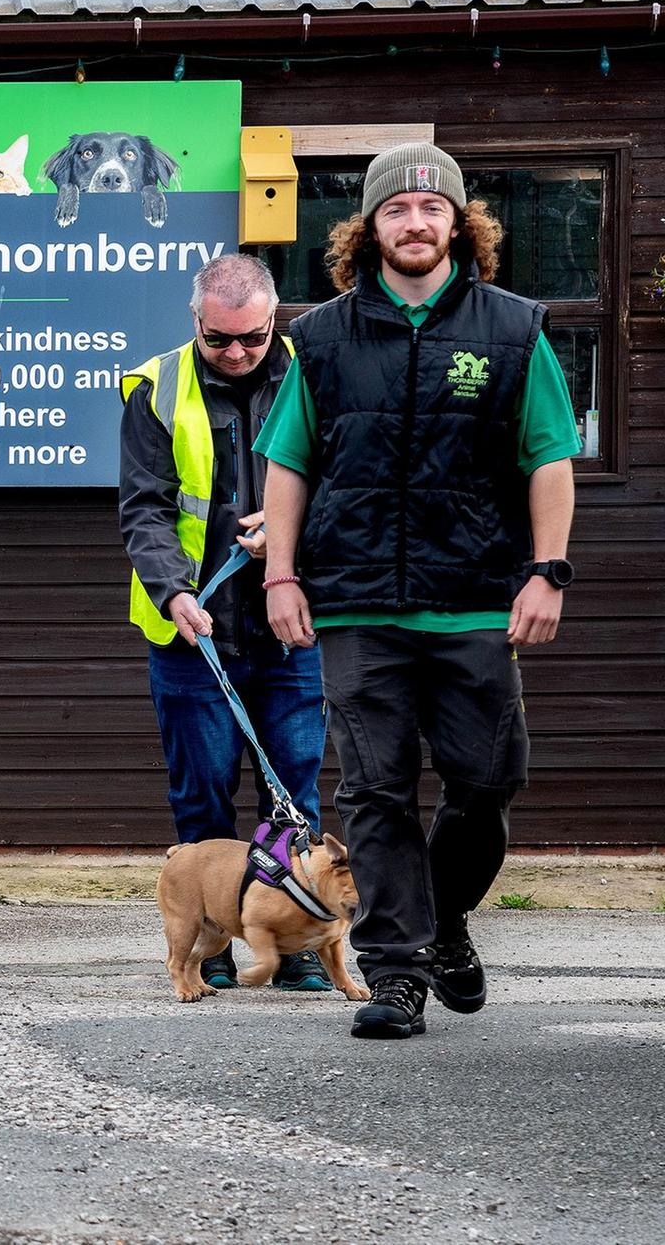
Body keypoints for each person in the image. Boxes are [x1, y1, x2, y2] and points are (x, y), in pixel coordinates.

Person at [257, 142, 580, 1040]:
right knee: (376, 791)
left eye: (431, 208)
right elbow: (287, 463)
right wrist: (282, 574)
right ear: (370, 226)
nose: (415, 222)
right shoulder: (319, 336)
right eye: (396, 209)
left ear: (459, 222)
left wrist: (547, 570)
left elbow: (549, 457)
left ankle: (440, 919)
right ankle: (395, 971)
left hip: (476, 597)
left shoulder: (513, 329)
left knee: (489, 781)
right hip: (358, 604)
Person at [119, 252, 330, 994]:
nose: (237, 353)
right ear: (196, 321)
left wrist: (290, 527)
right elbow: (143, 508)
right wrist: (174, 591)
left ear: (275, 319)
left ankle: (292, 937)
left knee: (292, 791)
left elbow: (346, 484)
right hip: (191, 635)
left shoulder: (318, 371)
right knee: (203, 797)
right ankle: (208, 942)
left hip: (287, 625)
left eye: (252, 337)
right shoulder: (155, 387)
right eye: (220, 340)